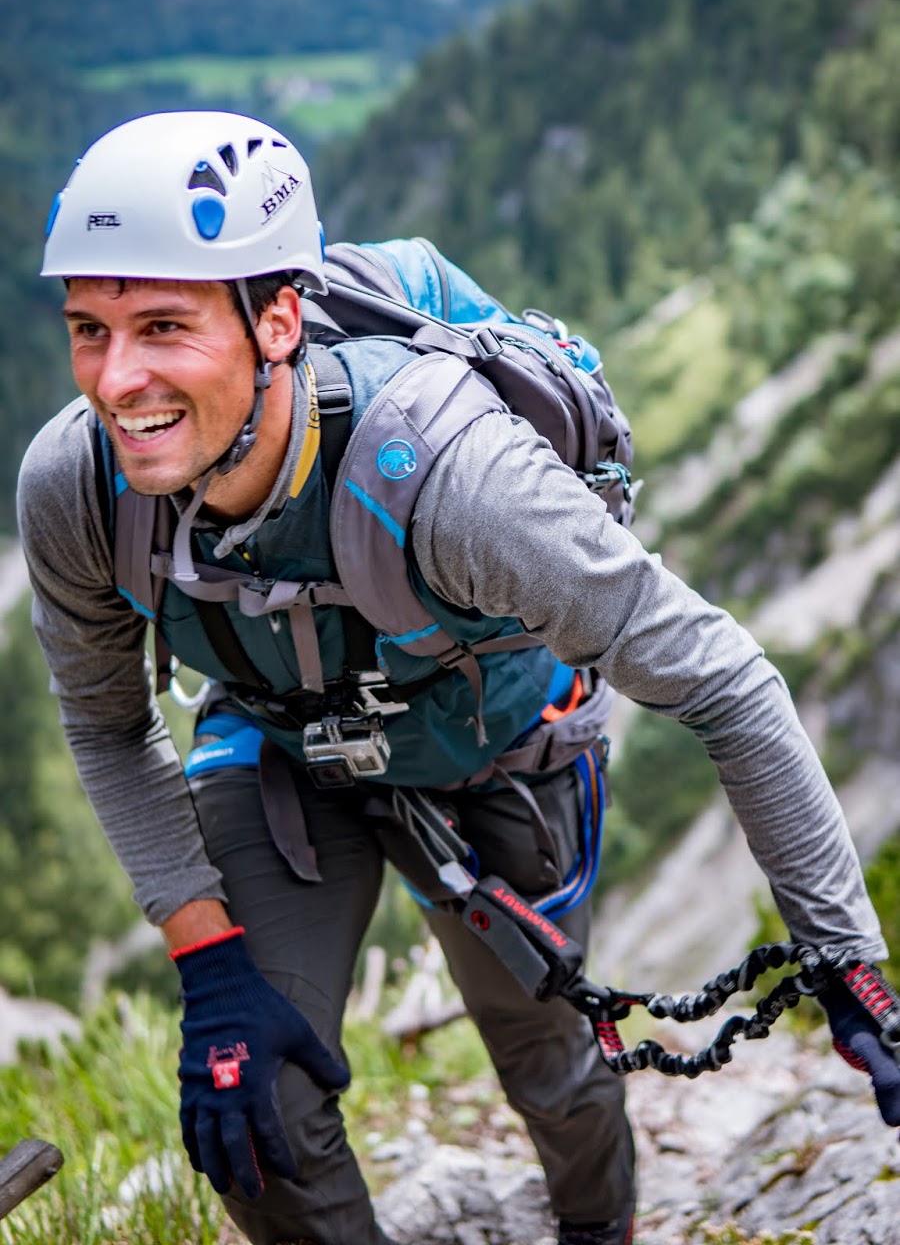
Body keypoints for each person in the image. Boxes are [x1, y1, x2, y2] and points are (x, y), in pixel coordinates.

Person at [17, 110, 899, 1245]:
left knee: (549, 1061)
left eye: (163, 327)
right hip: (284, 751)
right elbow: (105, 725)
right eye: (89, 329)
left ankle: (600, 1233)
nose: (116, 378)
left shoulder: (452, 482)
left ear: (277, 318)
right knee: (249, 1100)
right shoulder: (75, 486)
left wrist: (842, 953)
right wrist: (209, 960)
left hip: (497, 748)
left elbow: (724, 679)